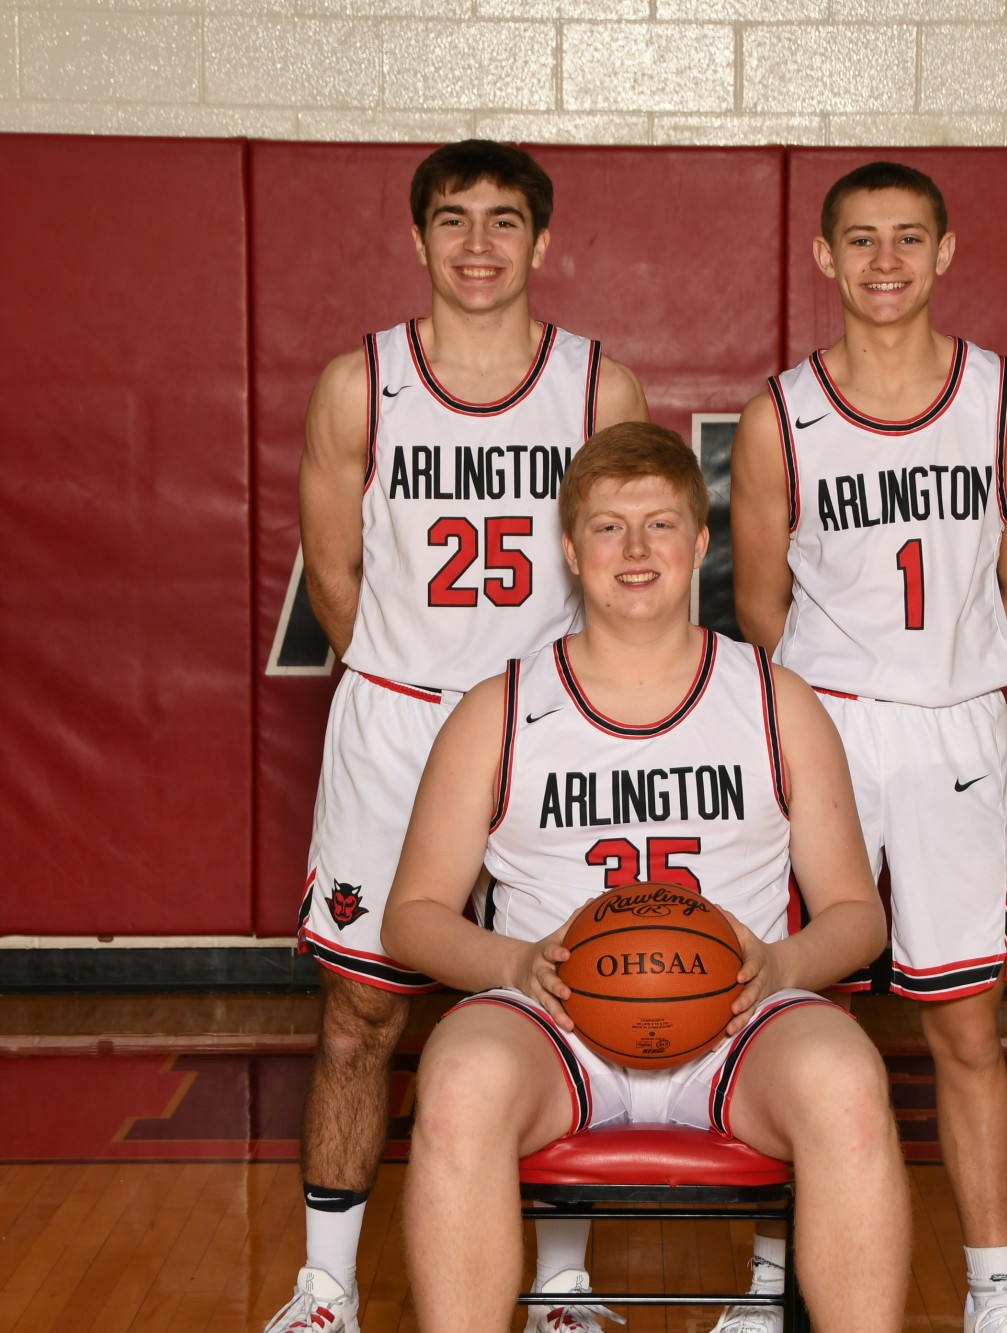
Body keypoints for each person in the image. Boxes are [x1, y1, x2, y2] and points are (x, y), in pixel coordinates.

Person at [382, 422, 909, 1333]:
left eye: (661, 524)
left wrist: (777, 968)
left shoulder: (775, 701)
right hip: (555, 1021)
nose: (636, 550)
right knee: (458, 1074)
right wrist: (517, 965)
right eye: (608, 527)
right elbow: (411, 918)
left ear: (701, 544)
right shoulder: (499, 710)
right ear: (568, 547)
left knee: (847, 1075)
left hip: (738, 1018)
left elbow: (857, 915)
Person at [268, 140, 648, 1333]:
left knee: (566, 1005)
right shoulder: (358, 384)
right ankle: (324, 1288)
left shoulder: (599, 390)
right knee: (358, 1014)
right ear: (416, 238)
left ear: (541, 241)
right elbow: (335, 576)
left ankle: (562, 1286)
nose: (476, 245)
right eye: (451, 220)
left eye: (501, 221)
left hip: (550, 730)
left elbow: (622, 574)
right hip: (396, 719)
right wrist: (418, 679)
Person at [729, 162, 1007, 1333]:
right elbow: (759, 605)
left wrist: (943, 683)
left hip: (953, 732)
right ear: (821, 258)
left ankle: (996, 1292)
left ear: (945, 251)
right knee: (779, 1008)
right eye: (859, 241)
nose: (883, 263)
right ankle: (770, 1280)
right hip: (820, 737)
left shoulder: (1003, 399)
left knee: (965, 1024)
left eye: (906, 240)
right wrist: (829, 714)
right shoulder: (778, 415)